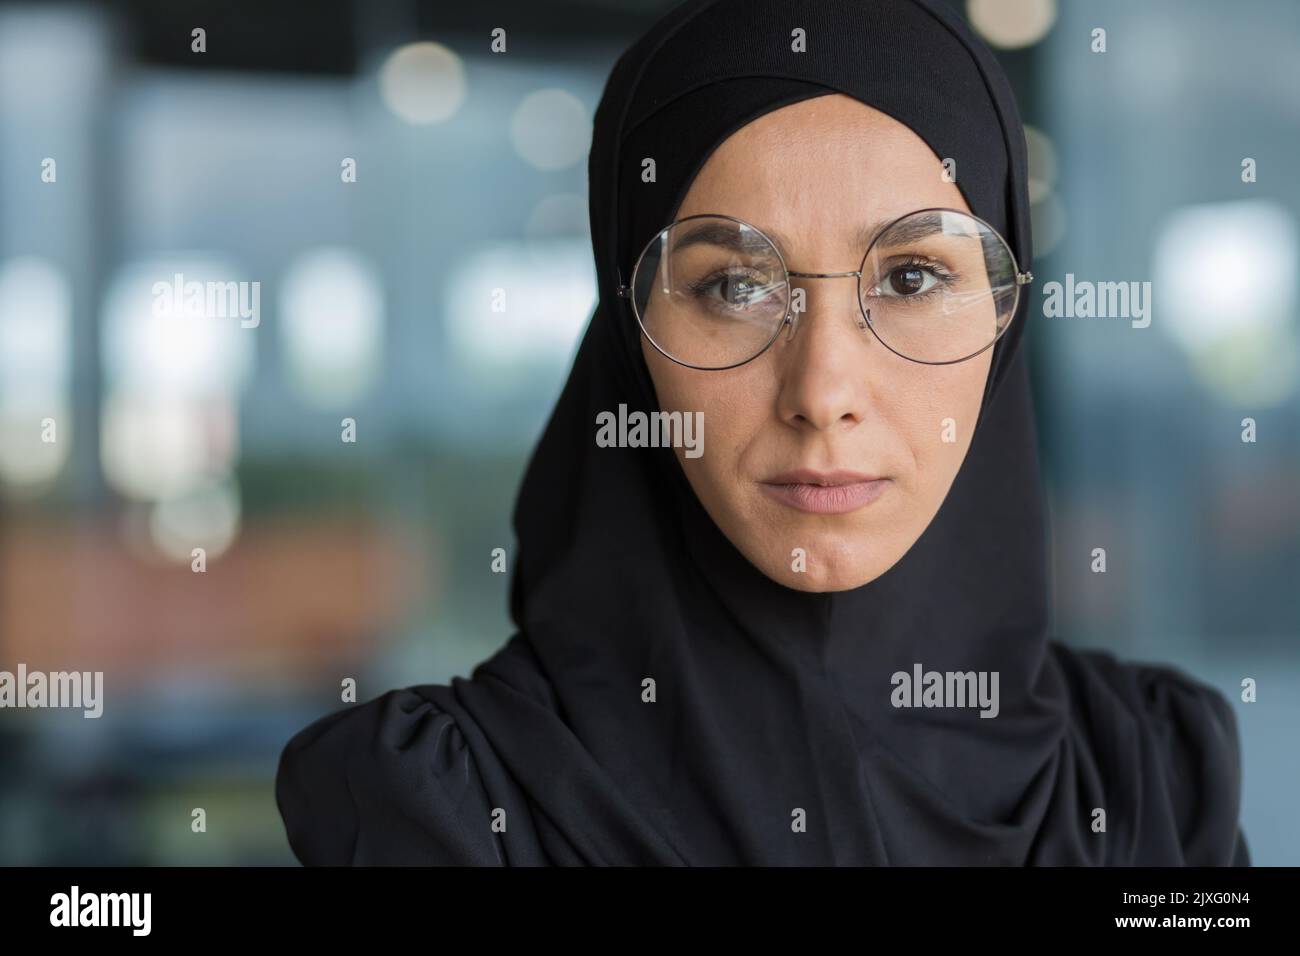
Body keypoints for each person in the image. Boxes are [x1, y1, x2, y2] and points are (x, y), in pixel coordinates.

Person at [275, 0, 1248, 865]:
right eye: (735, 286)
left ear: (1006, 319)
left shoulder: (1151, 779)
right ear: (629, 333)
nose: (821, 391)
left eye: (912, 277)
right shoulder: (448, 809)